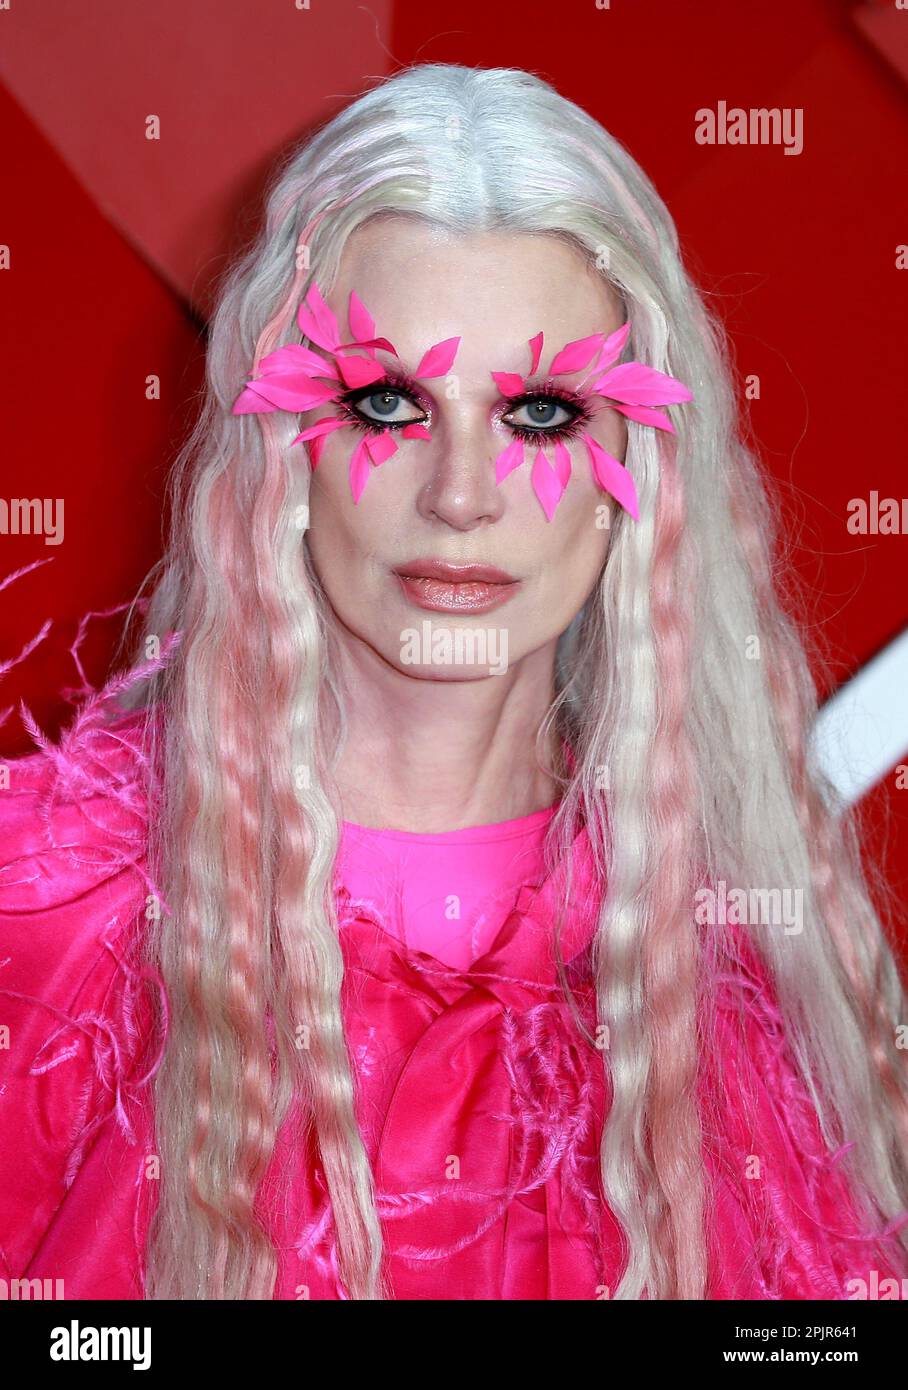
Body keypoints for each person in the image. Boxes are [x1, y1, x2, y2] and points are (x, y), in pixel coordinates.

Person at [1, 62, 906, 1302]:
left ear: (635, 464)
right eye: (385, 403)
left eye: (538, 412)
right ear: (281, 448)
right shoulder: (41, 922)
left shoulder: (735, 971)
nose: (462, 496)